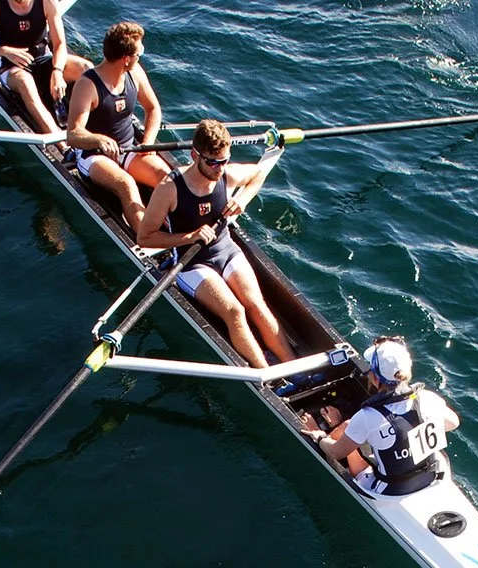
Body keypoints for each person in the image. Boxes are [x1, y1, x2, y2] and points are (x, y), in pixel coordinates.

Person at [137, 119, 296, 369]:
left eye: (224, 160)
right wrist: (189, 237)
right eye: (212, 162)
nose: (219, 168)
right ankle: (268, 376)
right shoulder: (170, 188)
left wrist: (242, 199)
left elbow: (258, 174)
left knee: (256, 303)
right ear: (194, 155)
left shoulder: (227, 174)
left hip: (227, 250)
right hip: (193, 264)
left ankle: (294, 369)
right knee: (235, 312)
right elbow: (145, 237)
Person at [306, 337, 461, 495]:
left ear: (374, 377)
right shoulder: (428, 398)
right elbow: (453, 423)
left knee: (347, 428)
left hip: (391, 491)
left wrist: (319, 437)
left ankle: (334, 426)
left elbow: (335, 453)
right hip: (432, 476)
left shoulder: (367, 416)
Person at [63, 21, 167, 231]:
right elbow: (73, 135)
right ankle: (148, 237)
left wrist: (148, 144)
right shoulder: (88, 85)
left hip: (128, 148)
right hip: (94, 155)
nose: (140, 57)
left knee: (166, 177)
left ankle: (180, 228)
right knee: (126, 184)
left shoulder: (134, 72)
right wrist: (99, 139)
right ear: (125, 59)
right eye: (139, 53)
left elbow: (153, 109)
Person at [0, 0, 91, 135]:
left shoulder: (47, 2)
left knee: (86, 68)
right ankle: (61, 142)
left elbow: (60, 44)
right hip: (12, 67)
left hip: (44, 58)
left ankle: (93, 125)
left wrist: (57, 71)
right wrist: (4, 51)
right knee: (25, 82)